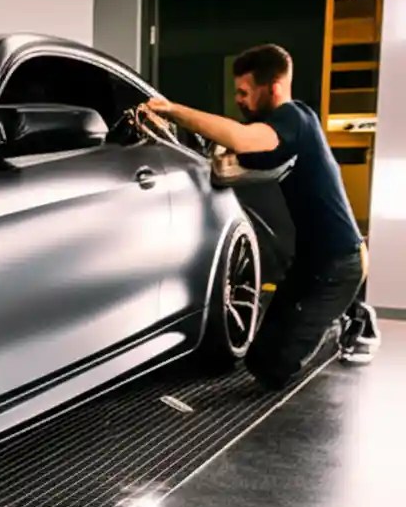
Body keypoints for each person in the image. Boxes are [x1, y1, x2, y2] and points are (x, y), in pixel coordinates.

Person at [140, 43, 368, 390]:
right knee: (258, 358)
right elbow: (230, 163)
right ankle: (333, 316)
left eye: (244, 92)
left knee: (273, 369)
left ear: (273, 88)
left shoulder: (293, 118)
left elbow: (242, 140)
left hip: (338, 266)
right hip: (312, 262)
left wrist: (172, 110)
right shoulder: (286, 129)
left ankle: (345, 321)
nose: (240, 100)